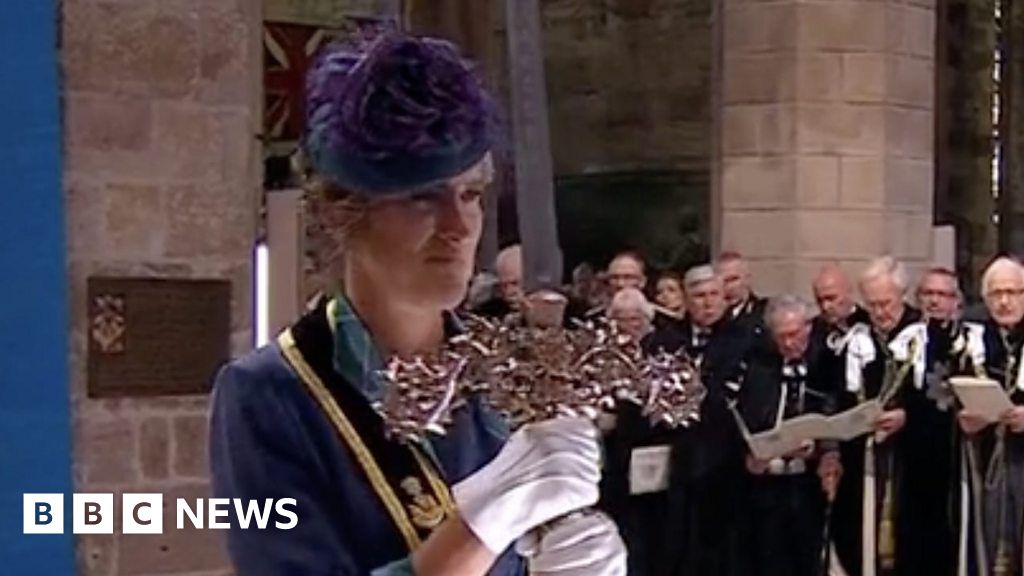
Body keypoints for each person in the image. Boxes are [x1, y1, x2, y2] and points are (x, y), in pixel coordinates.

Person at [209, 35, 623, 576]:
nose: (459, 227)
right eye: (422, 196)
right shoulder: (266, 398)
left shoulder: (503, 379)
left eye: (471, 195)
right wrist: (478, 529)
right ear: (341, 210)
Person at [830, 256, 922, 576]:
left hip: (911, 460)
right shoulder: (857, 339)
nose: (880, 313)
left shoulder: (924, 335)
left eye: (886, 303)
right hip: (862, 458)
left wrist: (907, 416)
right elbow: (840, 396)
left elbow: (938, 401)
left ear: (903, 295)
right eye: (872, 305)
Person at [736, 295, 841, 576]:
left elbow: (832, 412)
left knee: (807, 558)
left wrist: (824, 450)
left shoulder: (823, 363)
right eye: (780, 337)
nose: (788, 343)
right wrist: (750, 455)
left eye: (794, 335)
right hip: (766, 483)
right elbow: (746, 417)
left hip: (806, 483)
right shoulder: (759, 367)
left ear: (808, 327)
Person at [957, 256, 1024, 575]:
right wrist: (968, 417)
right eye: (996, 294)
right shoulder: (975, 337)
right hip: (991, 458)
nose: (1005, 301)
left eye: (1013, 292)